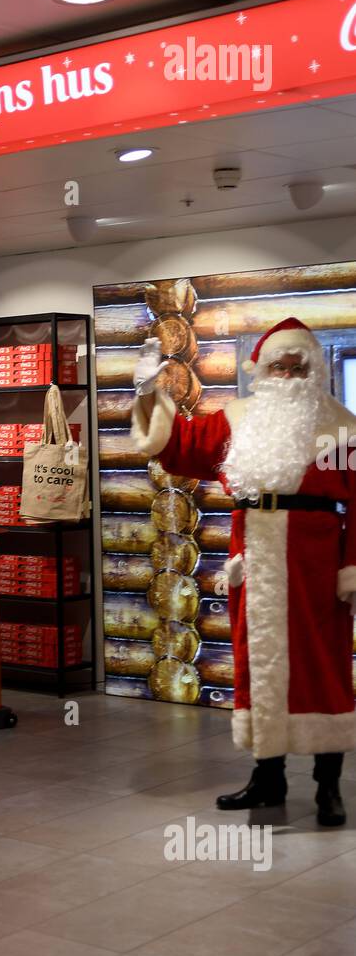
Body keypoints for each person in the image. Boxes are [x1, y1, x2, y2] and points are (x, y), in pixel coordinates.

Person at [132, 317, 356, 827]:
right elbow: (179, 448)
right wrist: (150, 393)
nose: (289, 371)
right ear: (262, 369)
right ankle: (267, 777)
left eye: (298, 364)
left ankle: (328, 787)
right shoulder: (237, 418)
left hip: (316, 567)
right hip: (252, 560)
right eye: (280, 363)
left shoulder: (343, 426)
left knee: (323, 666)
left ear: (313, 369)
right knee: (257, 663)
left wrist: (351, 570)